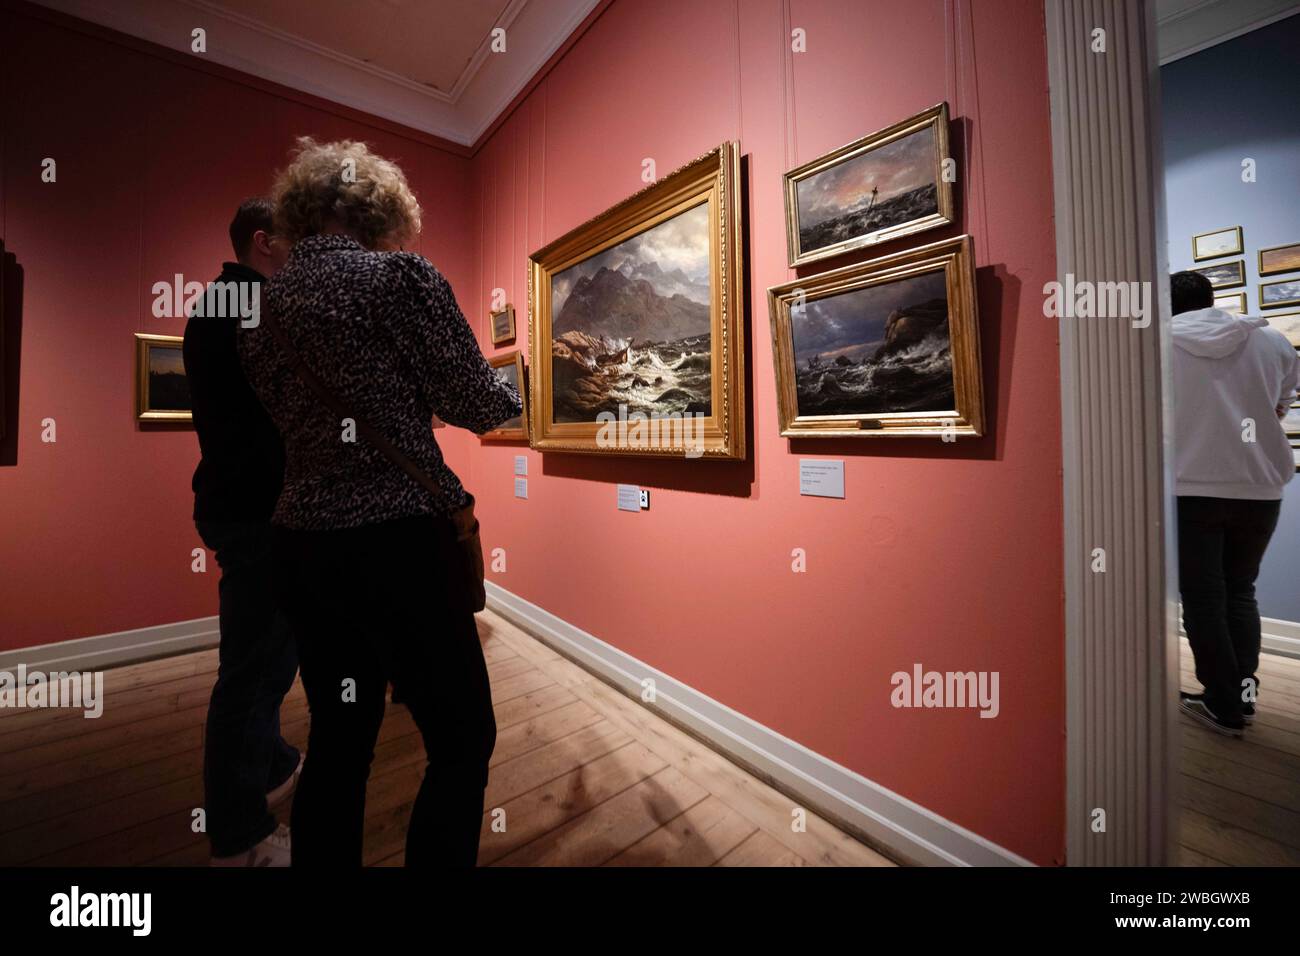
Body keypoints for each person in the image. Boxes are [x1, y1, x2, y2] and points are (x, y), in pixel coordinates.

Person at [238, 138, 522, 867]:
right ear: (377, 208)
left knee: (340, 734)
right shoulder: (400, 278)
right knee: (462, 737)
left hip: (301, 543)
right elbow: (477, 403)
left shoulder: (259, 313)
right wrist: (521, 391)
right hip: (398, 544)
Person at [182, 198, 303, 866]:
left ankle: (275, 760)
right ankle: (239, 834)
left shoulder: (218, 305)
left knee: (271, 658)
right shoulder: (248, 306)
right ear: (264, 241)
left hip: (246, 506)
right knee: (250, 675)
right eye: (292, 243)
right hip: (259, 513)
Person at [1170, 270, 1298, 736]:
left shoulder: (1157, 346)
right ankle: (1241, 699)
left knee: (1204, 601)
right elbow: (1283, 405)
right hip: (1261, 488)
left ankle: (1223, 705)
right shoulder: (1272, 341)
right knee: (1240, 591)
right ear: (1211, 298)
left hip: (1193, 489)